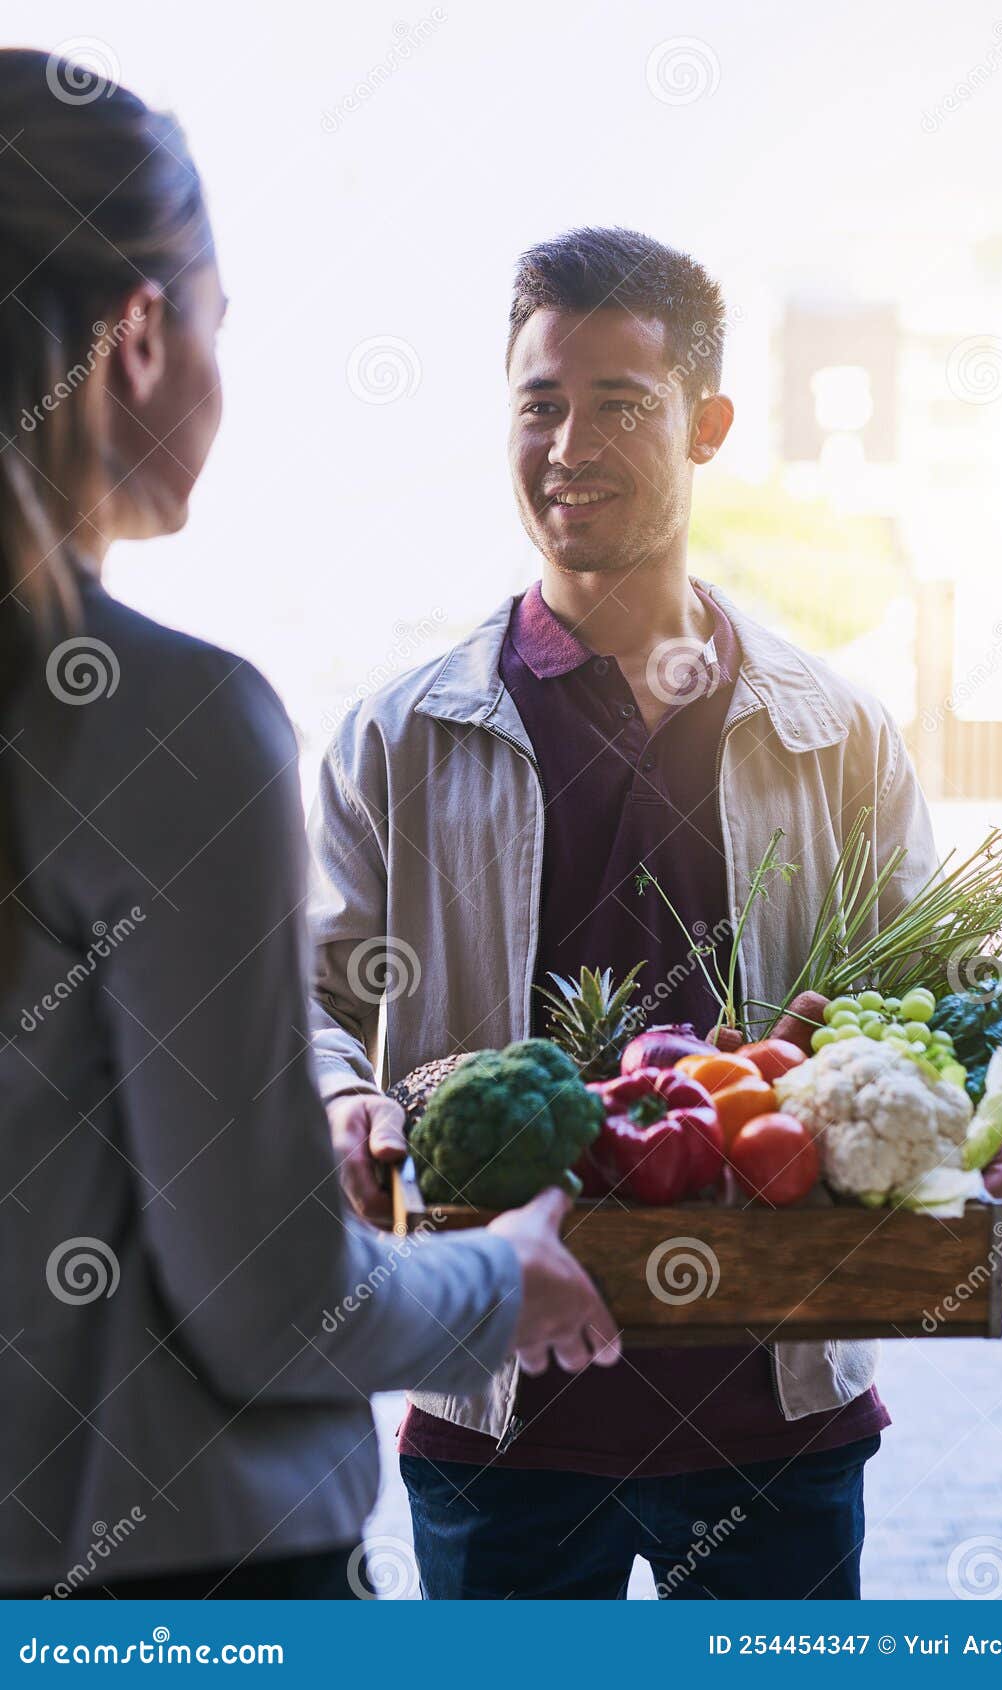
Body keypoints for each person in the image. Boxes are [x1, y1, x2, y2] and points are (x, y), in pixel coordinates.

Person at [308, 227, 1002, 1600]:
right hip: (499, 1414)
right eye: (541, 403)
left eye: (620, 405)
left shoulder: (838, 732)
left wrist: (995, 1125)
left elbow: (947, 1005)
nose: (570, 443)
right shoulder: (397, 738)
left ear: (706, 426)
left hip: (778, 1408)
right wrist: (341, 1096)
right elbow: (307, 1004)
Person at [0, 53, 619, 1601]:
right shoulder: (163, 719)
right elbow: (277, 1299)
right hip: (188, 1588)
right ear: (139, 336)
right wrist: (507, 1274)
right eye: (219, 314)